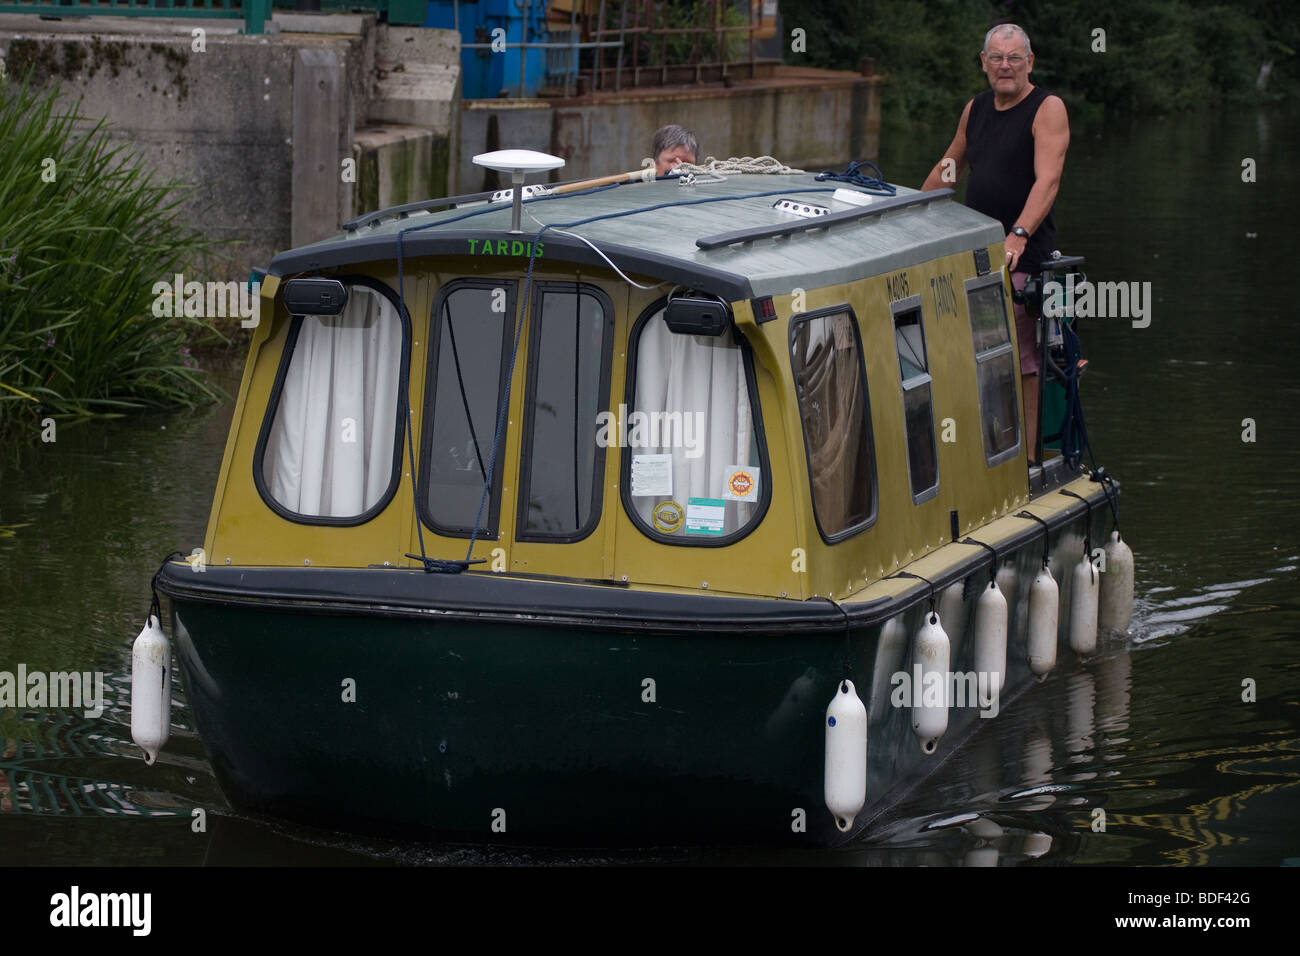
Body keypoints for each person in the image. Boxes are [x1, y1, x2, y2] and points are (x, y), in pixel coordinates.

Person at [921, 23, 1069, 462]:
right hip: (975, 251)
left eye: (1014, 58)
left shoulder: (1047, 108)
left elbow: (1049, 179)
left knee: (1021, 357)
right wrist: (903, 215)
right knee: (971, 352)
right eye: (997, 58)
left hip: (1023, 253)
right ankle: (977, 451)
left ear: (1030, 62)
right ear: (984, 62)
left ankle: (1026, 460)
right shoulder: (976, 108)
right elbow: (950, 168)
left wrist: (1018, 235)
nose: (1005, 66)